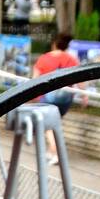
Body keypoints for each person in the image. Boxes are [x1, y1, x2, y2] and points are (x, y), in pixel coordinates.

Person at [32, 32, 82, 163]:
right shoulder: (72, 59)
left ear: (54, 44)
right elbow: (81, 79)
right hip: (66, 98)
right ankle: (51, 152)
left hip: (48, 97)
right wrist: (84, 96)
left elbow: (34, 79)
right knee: (56, 122)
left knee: (47, 124)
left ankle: (55, 152)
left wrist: (33, 96)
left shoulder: (44, 58)